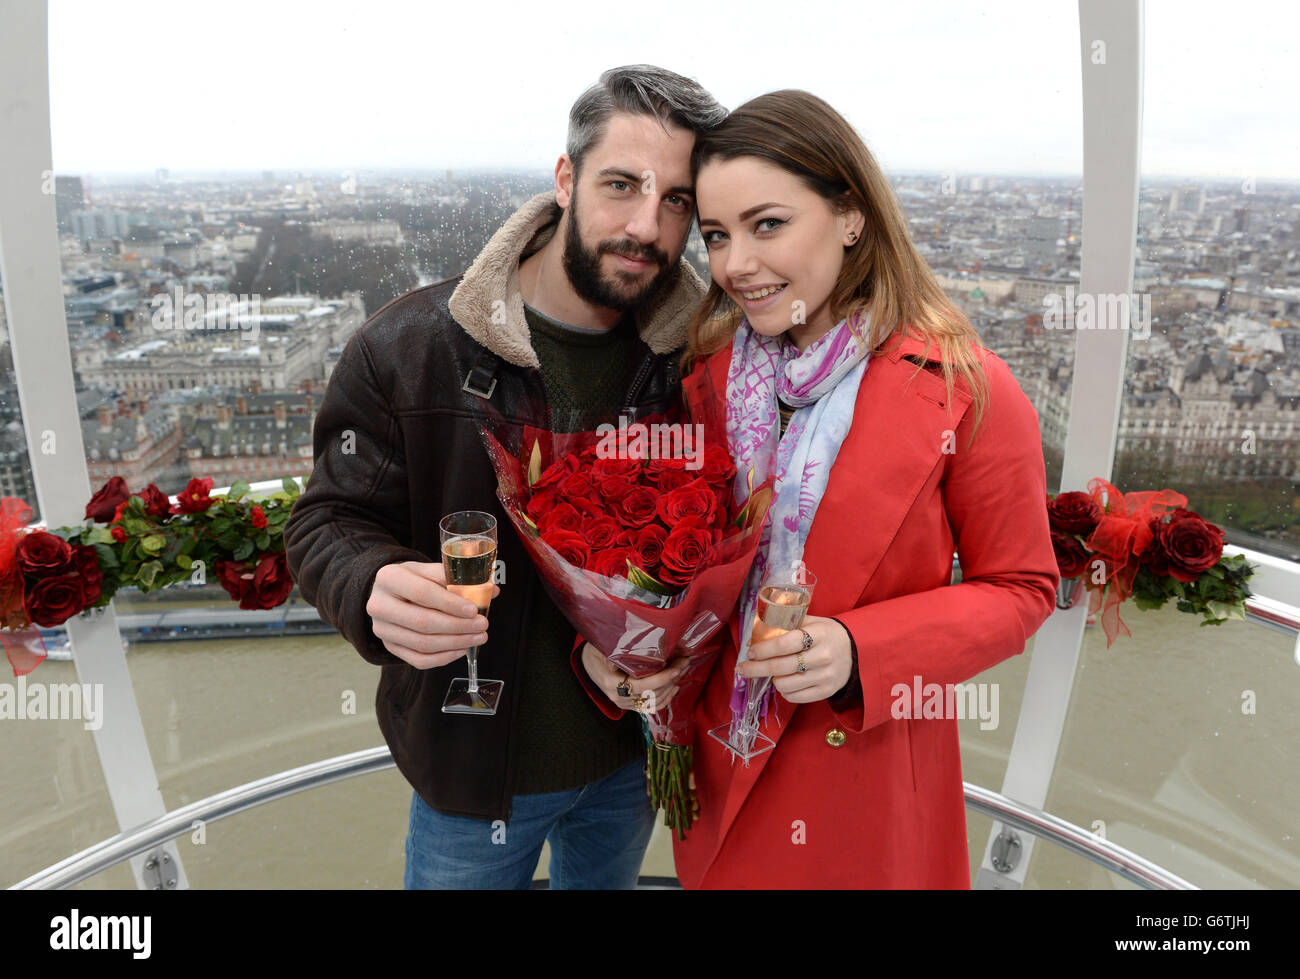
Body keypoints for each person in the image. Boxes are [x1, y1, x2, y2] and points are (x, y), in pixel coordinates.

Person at [577, 90, 1060, 887]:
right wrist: (624, 650)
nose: (735, 265)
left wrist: (862, 651)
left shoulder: (966, 387)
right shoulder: (708, 375)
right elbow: (653, 554)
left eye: (768, 225)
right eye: (718, 236)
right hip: (721, 761)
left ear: (850, 217)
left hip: (862, 772)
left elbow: (1023, 587)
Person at [283, 65, 725, 889]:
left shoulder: (705, 361)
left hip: (633, 756)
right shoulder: (407, 346)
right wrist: (371, 583)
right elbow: (325, 520)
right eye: (621, 184)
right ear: (565, 179)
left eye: (676, 201)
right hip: (473, 770)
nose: (645, 225)